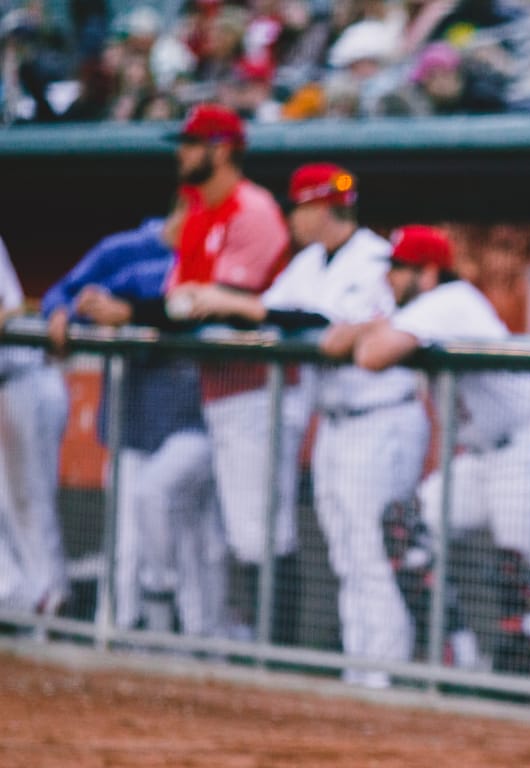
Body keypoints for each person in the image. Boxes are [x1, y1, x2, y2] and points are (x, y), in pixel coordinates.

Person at [176, 164, 428, 687]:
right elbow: (272, 309)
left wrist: (228, 299)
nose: (294, 218)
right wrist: (227, 301)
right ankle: (362, 671)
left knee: (373, 552)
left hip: (382, 418)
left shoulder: (376, 259)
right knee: (345, 552)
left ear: (319, 208)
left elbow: (316, 323)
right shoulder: (311, 262)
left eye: (300, 207)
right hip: (336, 423)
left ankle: (385, 676)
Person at [346, 225, 530, 677]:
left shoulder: (450, 301)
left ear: (429, 273)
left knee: (522, 578)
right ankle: (456, 654)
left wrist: (365, 328)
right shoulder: (427, 308)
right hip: (484, 457)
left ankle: (524, 695)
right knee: (405, 526)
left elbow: (370, 355)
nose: (389, 279)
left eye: (399, 269)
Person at [108, 104, 302, 644]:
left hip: (259, 390)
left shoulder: (253, 210)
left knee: (260, 533)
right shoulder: (198, 212)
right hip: (217, 391)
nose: (182, 154)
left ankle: (277, 657)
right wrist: (152, 306)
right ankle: (217, 636)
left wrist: (141, 311)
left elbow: (216, 305)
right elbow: (179, 298)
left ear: (221, 150)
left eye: (192, 144)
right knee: (220, 532)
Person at [43, 217, 225, 638]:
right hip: (132, 421)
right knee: (125, 543)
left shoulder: (216, 260)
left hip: (195, 422)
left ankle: (199, 639)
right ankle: (121, 634)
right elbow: (68, 294)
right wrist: (68, 312)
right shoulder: (127, 253)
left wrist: (129, 312)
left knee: (201, 542)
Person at [0, 235, 68, 620]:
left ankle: (50, 602)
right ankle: (27, 600)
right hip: (9, 387)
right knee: (11, 502)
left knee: (28, 499)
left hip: (26, 380)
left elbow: (7, 313)